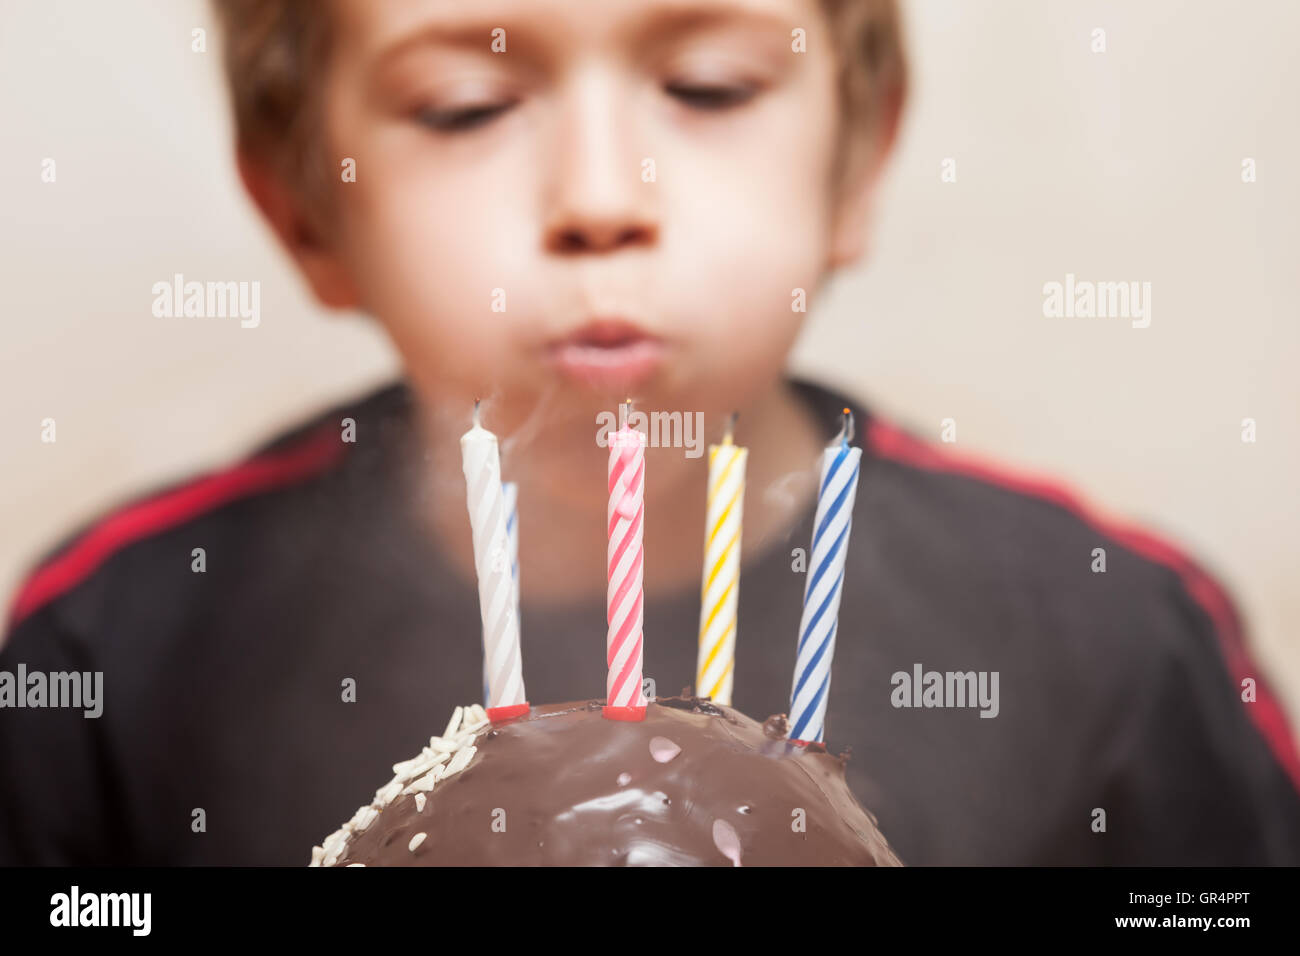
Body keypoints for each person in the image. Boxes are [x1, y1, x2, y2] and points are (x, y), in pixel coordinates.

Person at [2, 0, 1297, 865]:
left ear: (859, 156)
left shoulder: (1117, 644)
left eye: (710, 85)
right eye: (465, 105)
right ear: (300, 207)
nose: (604, 196)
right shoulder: (112, 659)